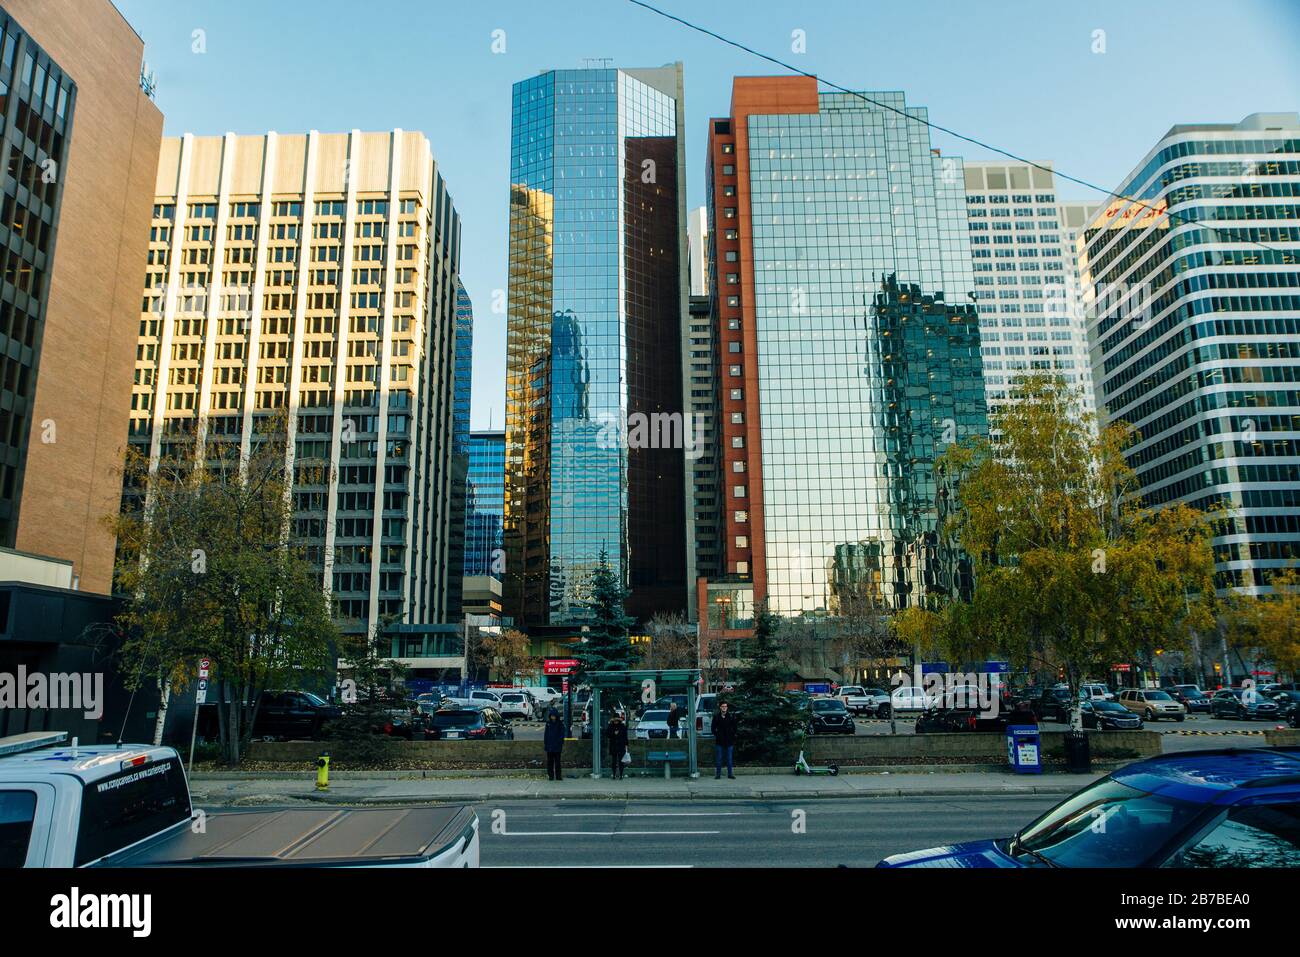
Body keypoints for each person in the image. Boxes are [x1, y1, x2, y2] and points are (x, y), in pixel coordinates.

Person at [713, 700, 738, 779]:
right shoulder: (716, 717)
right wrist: (717, 735)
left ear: (727, 708)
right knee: (719, 759)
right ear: (720, 707)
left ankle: (730, 774)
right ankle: (718, 774)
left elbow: (735, 727)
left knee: (729, 759)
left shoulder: (730, 717)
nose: (724, 708)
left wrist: (732, 735)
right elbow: (713, 728)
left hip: (729, 741)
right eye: (723, 706)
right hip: (719, 741)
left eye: (725, 706)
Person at [543, 709, 566, 781]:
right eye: (551, 716)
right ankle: (551, 776)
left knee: (557, 762)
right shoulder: (548, 724)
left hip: (557, 746)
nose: (553, 717)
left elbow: (562, 734)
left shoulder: (560, 724)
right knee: (550, 762)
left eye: (554, 716)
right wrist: (546, 743)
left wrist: (560, 743)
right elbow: (546, 734)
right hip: (549, 746)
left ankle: (558, 776)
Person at [607, 711, 629, 779]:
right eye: (615, 720)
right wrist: (614, 734)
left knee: (621, 761)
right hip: (614, 745)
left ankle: (621, 774)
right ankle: (614, 774)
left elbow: (625, 736)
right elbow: (608, 734)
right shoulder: (611, 726)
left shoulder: (622, 726)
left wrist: (626, 745)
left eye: (617, 720)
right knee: (614, 761)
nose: (615, 721)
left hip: (620, 745)